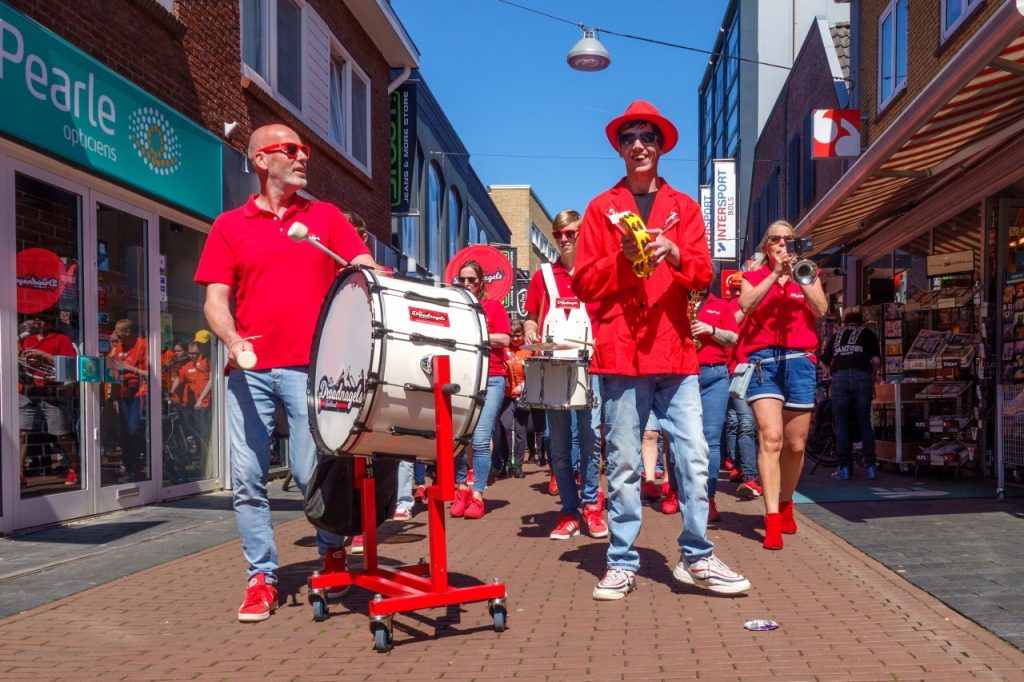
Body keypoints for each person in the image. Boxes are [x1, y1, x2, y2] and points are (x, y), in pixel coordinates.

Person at [195, 123, 378, 622]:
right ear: (261, 160)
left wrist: (368, 274)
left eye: (306, 150)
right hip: (250, 370)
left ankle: (332, 548)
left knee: (308, 471)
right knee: (247, 478)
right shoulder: (229, 226)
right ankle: (262, 577)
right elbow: (214, 302)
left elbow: (363, 267)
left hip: (311, 369)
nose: (303, 157)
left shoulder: (325, 217)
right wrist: (233, 340)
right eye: (291, 149)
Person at [572, 101, 751, 599]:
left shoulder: (684, 208)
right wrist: (623, 259)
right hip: (623, 353)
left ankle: (697, 555)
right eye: (629, 137)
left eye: (647, 136)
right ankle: (621, 561)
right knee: (625, 464)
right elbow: (583, 282)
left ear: (661, 146)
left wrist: (673, 252)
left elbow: (703, 274)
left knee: (694, 457)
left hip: (674, 352)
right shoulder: (600, 208)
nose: (638, 145)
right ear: (619, 148)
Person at [737, 220, 828, 550]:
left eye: (788, 239)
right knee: (771, 437)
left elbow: (821, 309)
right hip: (764, 363)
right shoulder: (753, 277)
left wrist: (799, 275)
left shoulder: (809, 273)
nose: (781, 244)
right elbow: (745, 306)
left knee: (796, 445)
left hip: (800, 362)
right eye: (775, 239)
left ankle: (786, 502)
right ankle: (772, 517)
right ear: (766, 246)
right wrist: (775, 274)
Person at [524, 209, 608, 541]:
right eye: (558, 235)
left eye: (570, 233)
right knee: (558, 445)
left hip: (590, 366)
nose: (564, 240)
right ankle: (569, 511)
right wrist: (530, 330)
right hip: (554, 366)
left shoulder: (597, 272)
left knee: (590, 440)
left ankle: (591, 506)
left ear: (582, 234)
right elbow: (531, 317)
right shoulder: (543, 274)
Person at [450, 259, 511, 520]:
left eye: (471, 280)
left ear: (481, 282)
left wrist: (477, 332)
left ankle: (477, 494)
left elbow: (505, 338)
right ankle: (461, 488)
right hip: (463, 378)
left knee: (480, 438)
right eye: (462, 280)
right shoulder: (454, 307)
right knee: (457, 437)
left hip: (492, 378)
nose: (466, 284)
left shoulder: (493, 306)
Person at [688, 286, 739, 522]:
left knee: (711, 440)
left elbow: (733, 339)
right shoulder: (678, 300)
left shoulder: (721, 305)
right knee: (680, 438)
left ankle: (708, 497)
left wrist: (711, 330)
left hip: (714, 374)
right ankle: (678, 492)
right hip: (683, 375)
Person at [821, 310, 881, 481]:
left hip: (840, 378)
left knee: (841, 424)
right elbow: (876, 361)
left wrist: (832, 374)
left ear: (844, 323)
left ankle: (845, 468)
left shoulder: (837, 335)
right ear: (861, 322)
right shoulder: (867, 333)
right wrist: (871, 376)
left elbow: (823, 362)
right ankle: (871, 467)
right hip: (862, 376)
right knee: (864, 422)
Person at [19, 317, 78, 485]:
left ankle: (74, 467)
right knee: (22, 433)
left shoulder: (61, 339)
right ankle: (18, 474)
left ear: (50, 320)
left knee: (60, 433)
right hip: (29, 390)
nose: (38, 322)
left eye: (41, 319)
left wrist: (43, 355)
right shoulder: (27, 339)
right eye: (36, 319)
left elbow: (70, 364)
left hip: (51, 391)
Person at [105, 319, 149, 483]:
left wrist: (130, 368)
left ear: (128, 332)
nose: (116, 334)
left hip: (140, 392)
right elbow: (114, 367)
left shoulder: (144, 345)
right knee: (124, 432)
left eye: (118, 331)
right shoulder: (119, 347)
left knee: (133, 429)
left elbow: (153, 373)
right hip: (123, 392)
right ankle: (131, 467)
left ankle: (141, 459)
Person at [495, 320, 530, 479]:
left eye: (518, 335)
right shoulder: (504, 349)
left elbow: (534, 375)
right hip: (506, 396)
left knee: (521, 432)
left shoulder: (529, 351)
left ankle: (518, 465)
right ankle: (507, 462)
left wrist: (522, 387)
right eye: (512, 336)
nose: (515, 339)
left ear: (523, 334)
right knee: (506, 427)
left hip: (522, 396)